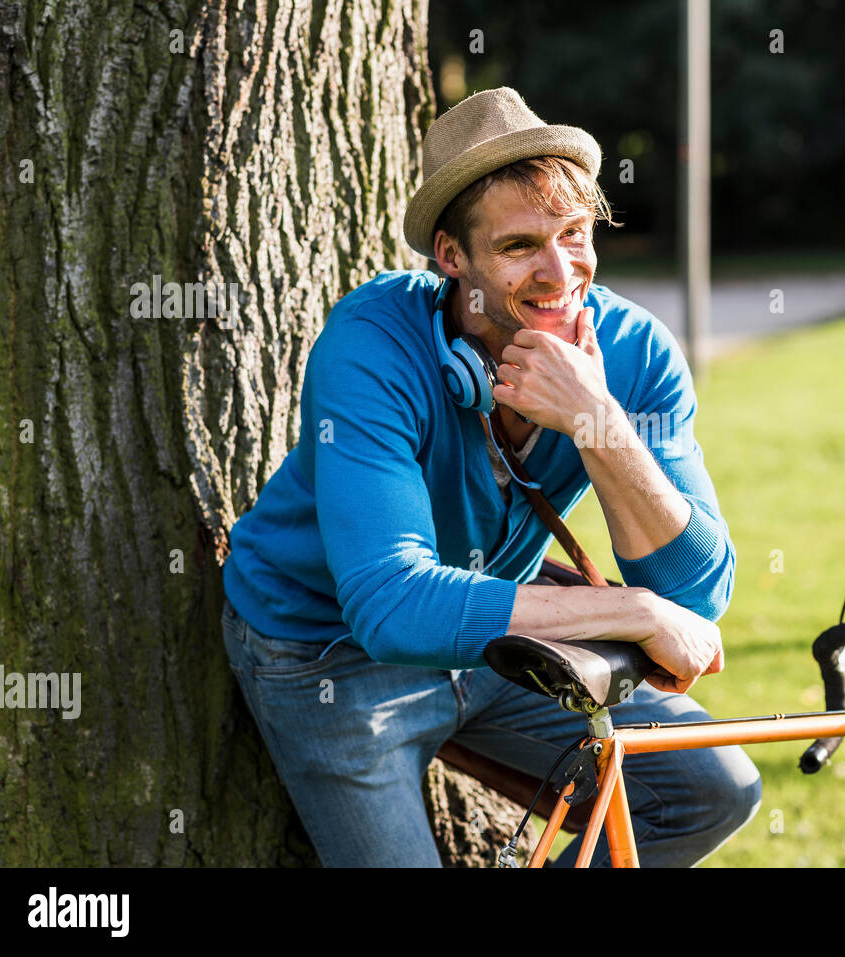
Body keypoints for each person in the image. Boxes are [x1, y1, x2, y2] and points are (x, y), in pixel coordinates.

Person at [219, 87, 761, 866]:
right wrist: (631, 609)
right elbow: (391, 606)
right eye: (519, 246)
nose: (559, 270)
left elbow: (698, 597)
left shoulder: (636, 353)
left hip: (498, 641)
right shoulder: (369, 346)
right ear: (451, 257)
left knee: (715, 788)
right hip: (325, 654)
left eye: (575, 234)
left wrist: (597, 420)